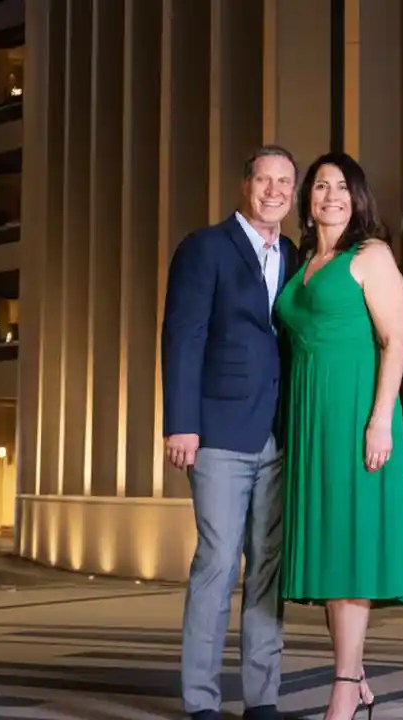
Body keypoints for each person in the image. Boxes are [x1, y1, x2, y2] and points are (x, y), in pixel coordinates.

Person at [274, 152, 403, 720]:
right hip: (312, 417)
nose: (329, 194)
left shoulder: (371, 254)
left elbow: (397, 339)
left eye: (341, 186)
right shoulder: (305, 259)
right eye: (319, 186)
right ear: (307, 201)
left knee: (351, 550)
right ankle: (353, 675)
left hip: (358, 412)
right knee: (330, 551)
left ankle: (342, 686)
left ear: (357, 197)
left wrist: (380, 418)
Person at [162, 145, 299, 720]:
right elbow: (183, 334)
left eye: (284, 183)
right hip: (217, 430)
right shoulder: (205, 247)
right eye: (264, 180)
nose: (274, 191)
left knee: (267, 563)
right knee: (217, 562)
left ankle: (262, 700)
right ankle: (201, 702)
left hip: (278, 430)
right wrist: (181, 423)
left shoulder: (294, 253)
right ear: (246, 186)